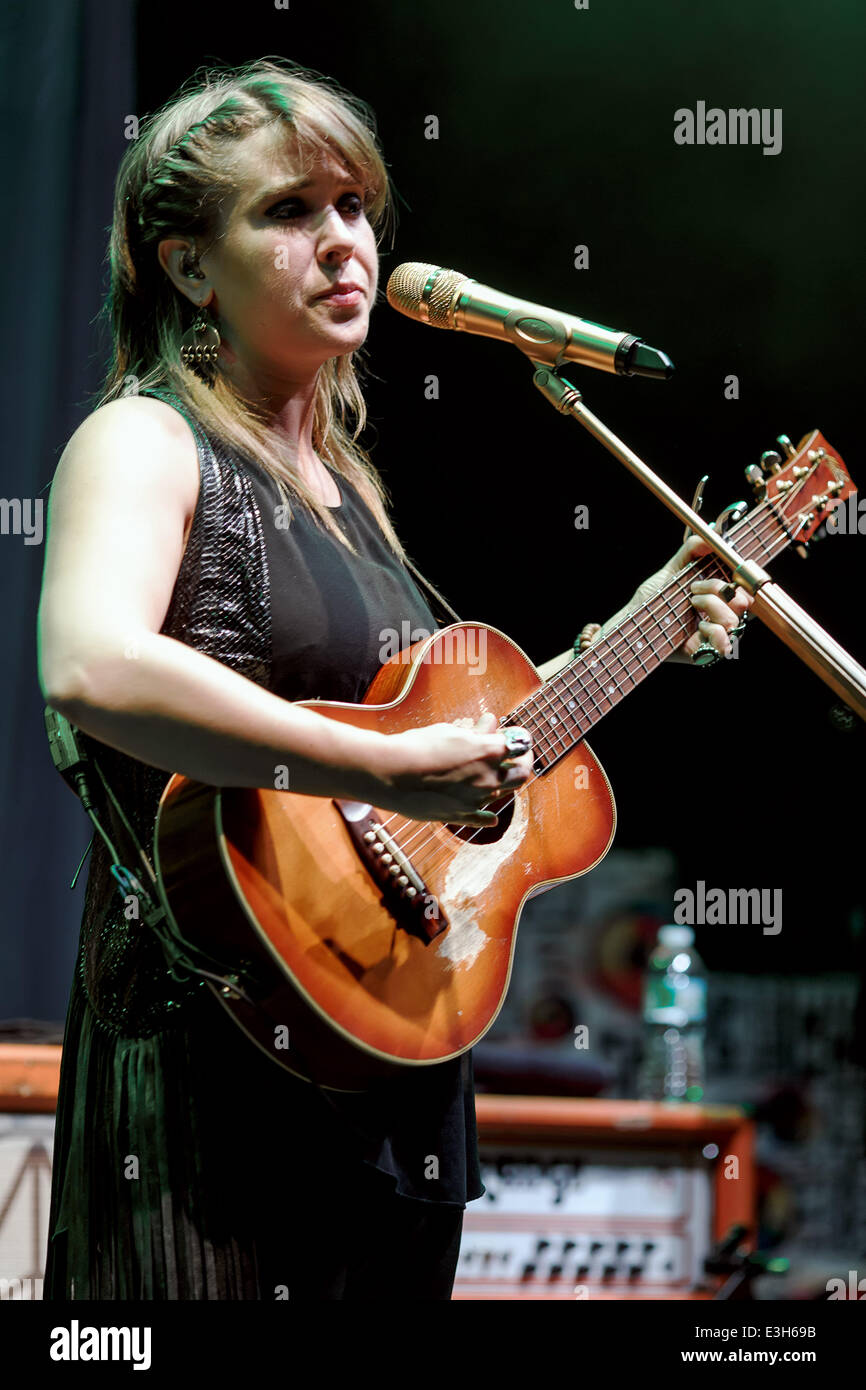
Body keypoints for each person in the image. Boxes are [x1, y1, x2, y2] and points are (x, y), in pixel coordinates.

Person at [36, 58, 752, 1301]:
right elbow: (92, 662)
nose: (341, 243)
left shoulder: (353, 494)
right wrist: (381, 764)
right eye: (288, 211)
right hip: (209, 1053)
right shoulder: (146, 437)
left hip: (389, 1052)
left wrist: (644, 626)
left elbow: (452, 761)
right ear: (187, 265)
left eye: (353, 206)